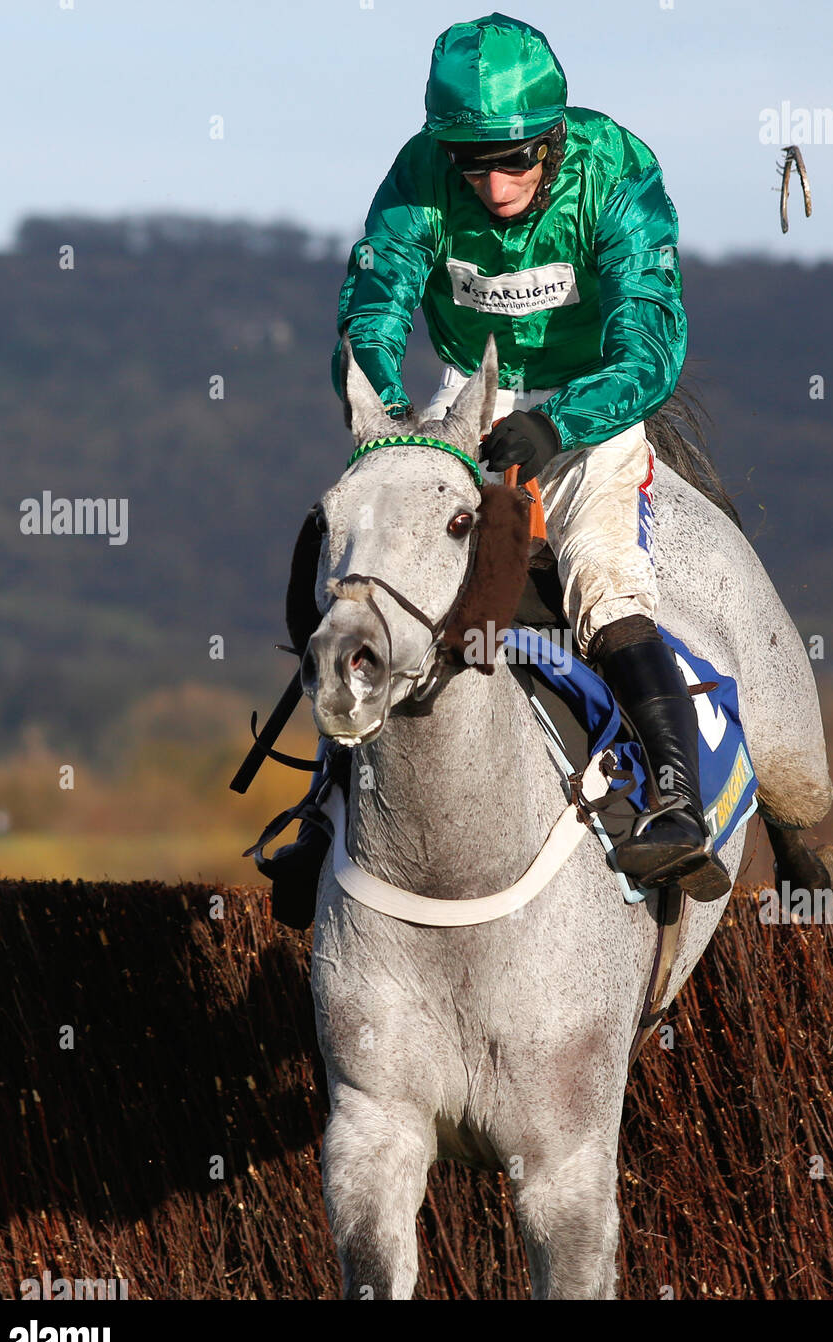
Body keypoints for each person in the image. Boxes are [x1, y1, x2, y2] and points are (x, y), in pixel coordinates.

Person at [260, 12, 731, 924]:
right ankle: (326, 805)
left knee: (603, 580)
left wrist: (564, 422)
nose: (495, 182)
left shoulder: (619, 171)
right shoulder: (417, 174)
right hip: (462, 400)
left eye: (515, 160)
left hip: (590, 406)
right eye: (474, 164)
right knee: (370, 571)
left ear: (554, 140)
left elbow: (652, 335)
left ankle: (676, 801)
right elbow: (376, 300)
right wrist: (386, 412)